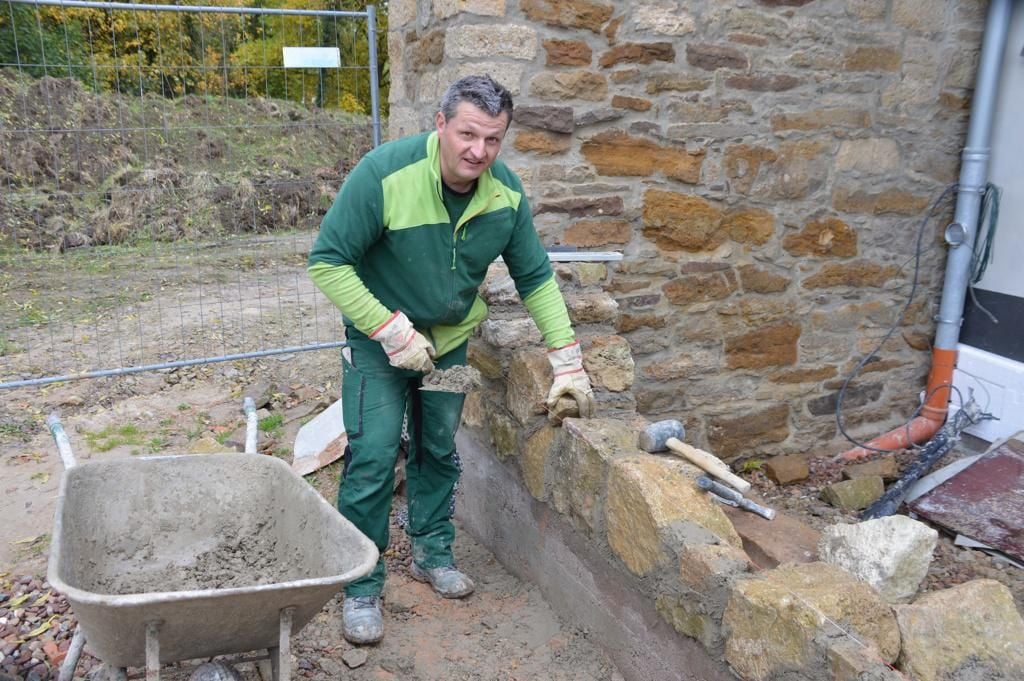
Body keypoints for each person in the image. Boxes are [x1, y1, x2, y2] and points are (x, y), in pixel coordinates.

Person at [307, 74, 596, 645]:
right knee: (372, 452)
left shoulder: (505, 194)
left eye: (492, 140)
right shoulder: (385, 176)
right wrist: (390, 330)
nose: (478, 152)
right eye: (467, 134)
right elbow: (328, 262)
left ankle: (432, 551)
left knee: (439, 445)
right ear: (440, 124)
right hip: (378, 342)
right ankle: (361, 584)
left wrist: (568, 358)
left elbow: (535, 277)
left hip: (450, 343)